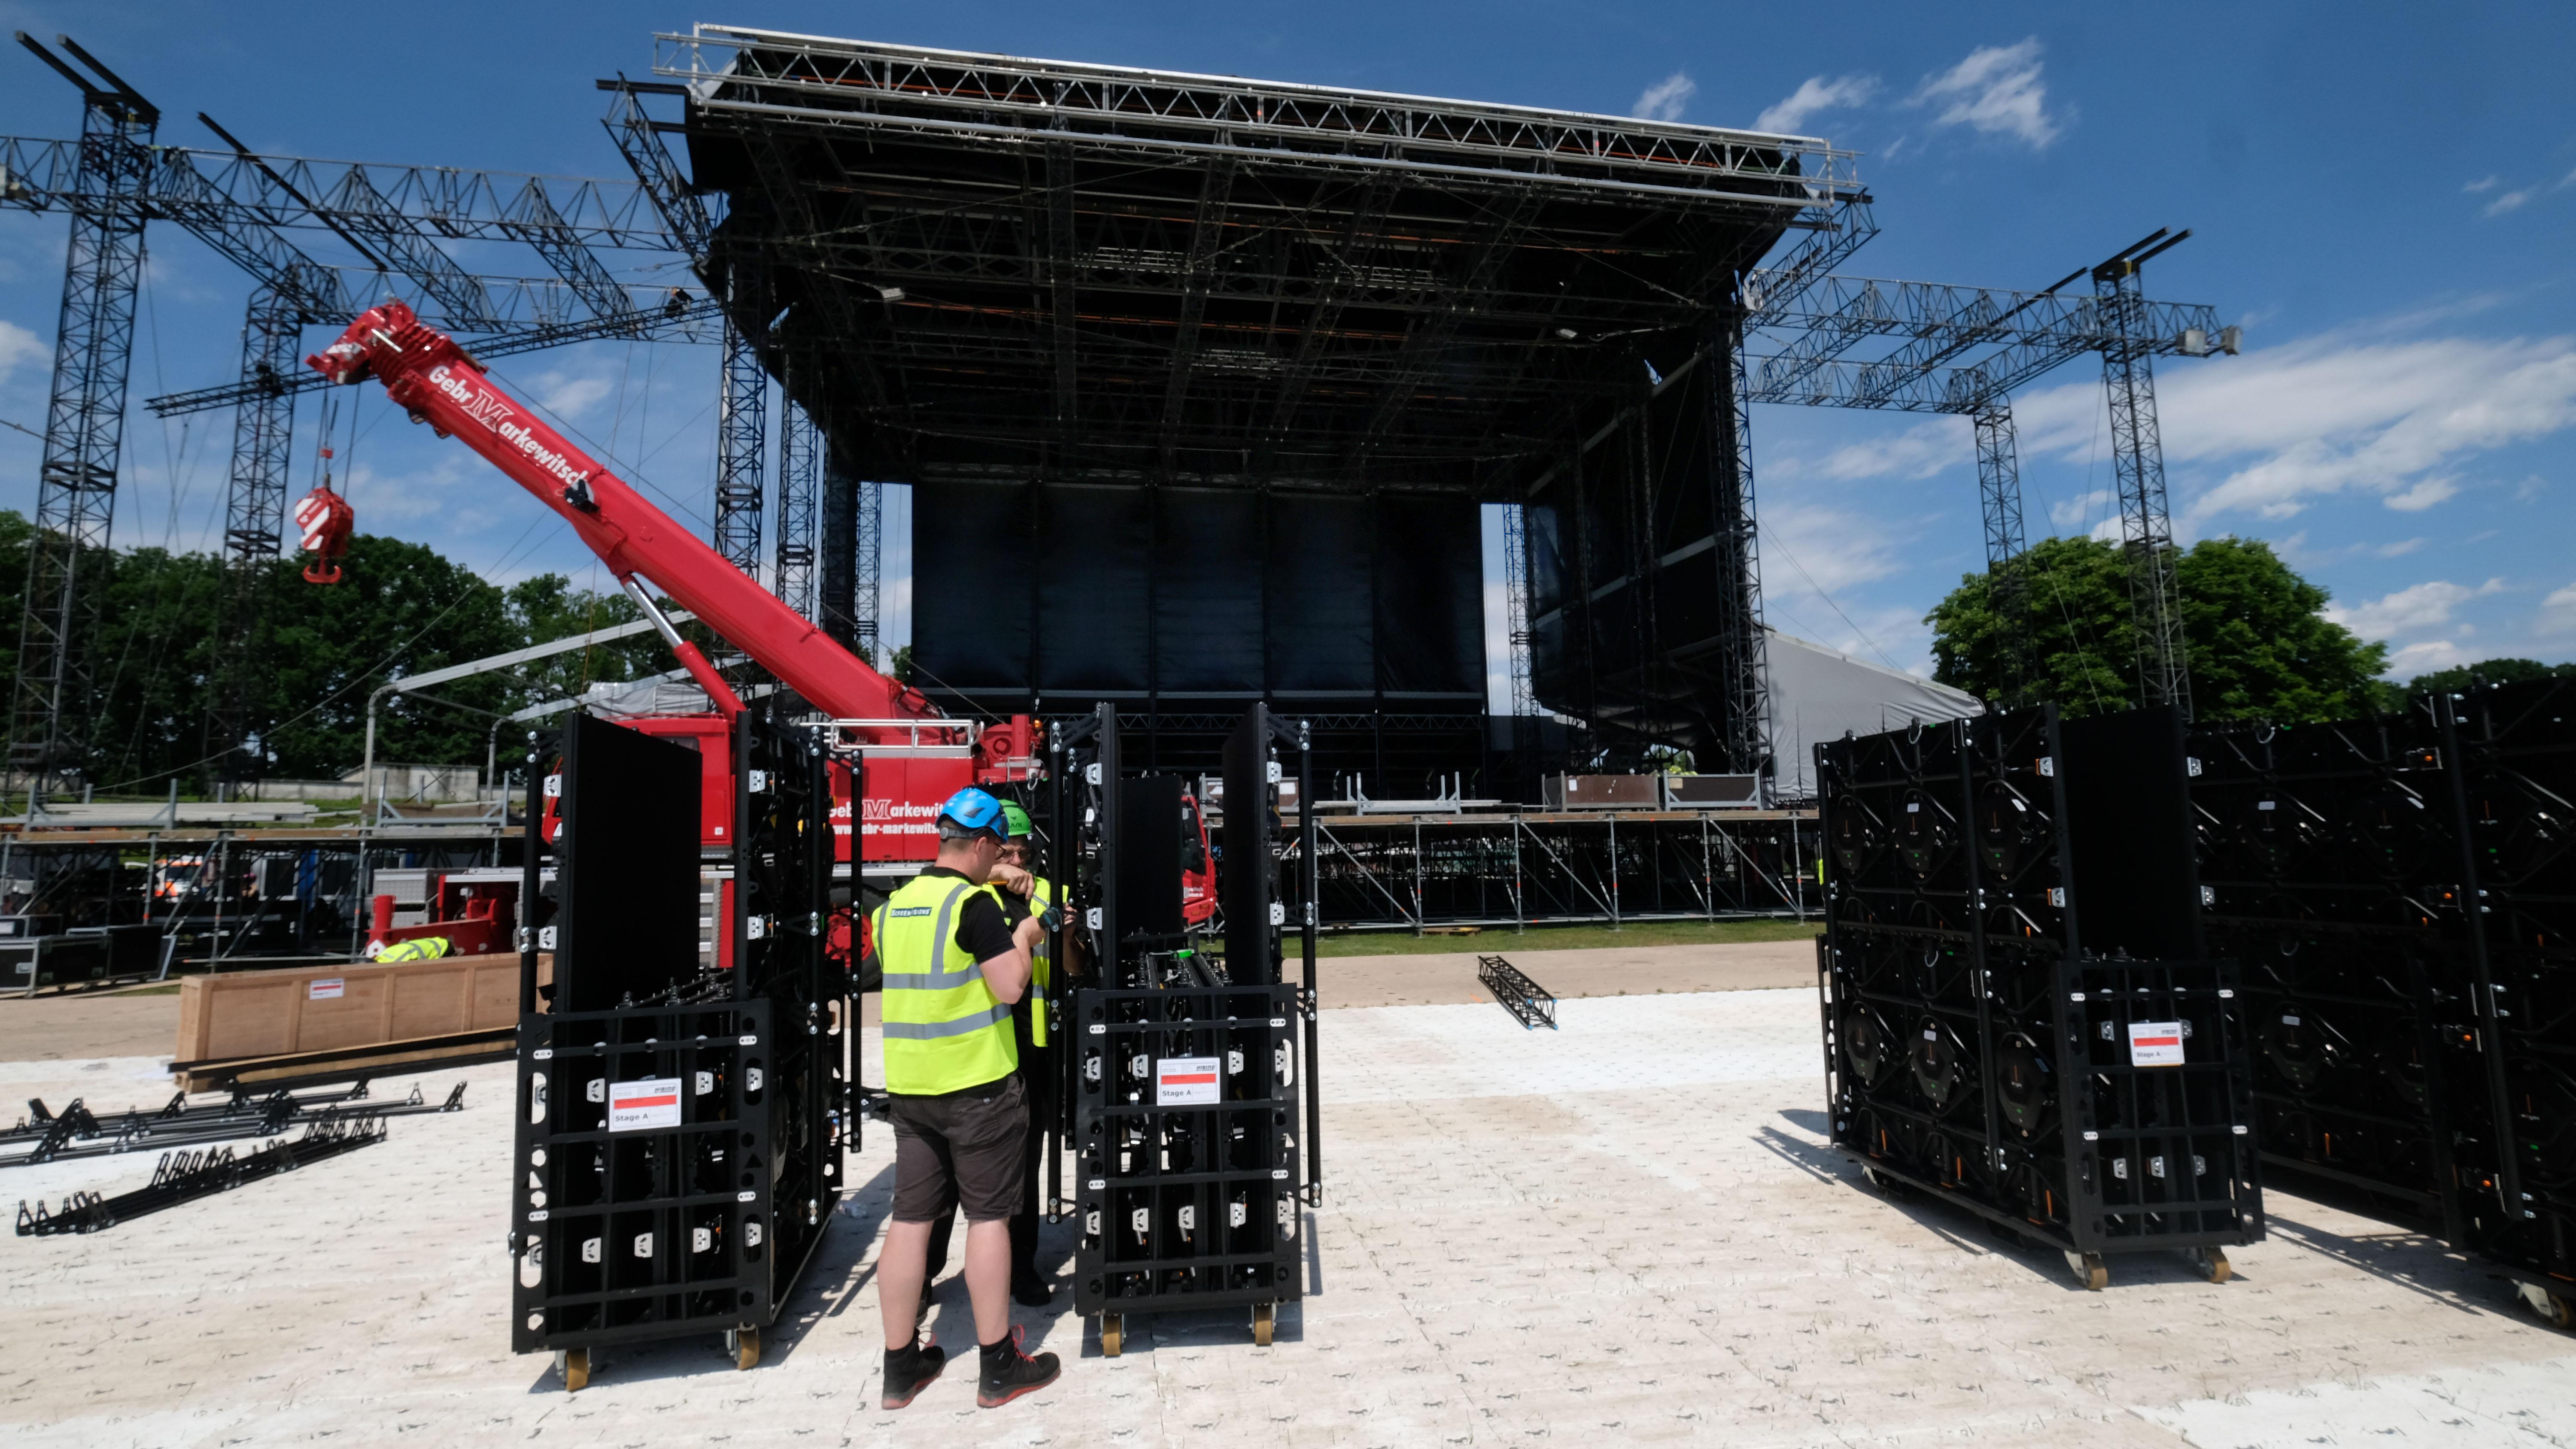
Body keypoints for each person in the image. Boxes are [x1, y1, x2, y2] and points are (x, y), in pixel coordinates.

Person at [872, 788, 1062, 1412]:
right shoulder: (972, 905)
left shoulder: (894, 907)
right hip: (976, 1087)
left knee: (909, 1222)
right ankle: (999, 1364)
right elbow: (1009, 987)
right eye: (996, 851)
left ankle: (900, 1367)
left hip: (912, 1088)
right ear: (981, 844)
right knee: (988, 1220)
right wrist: (1026, 934)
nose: (1000, 860)